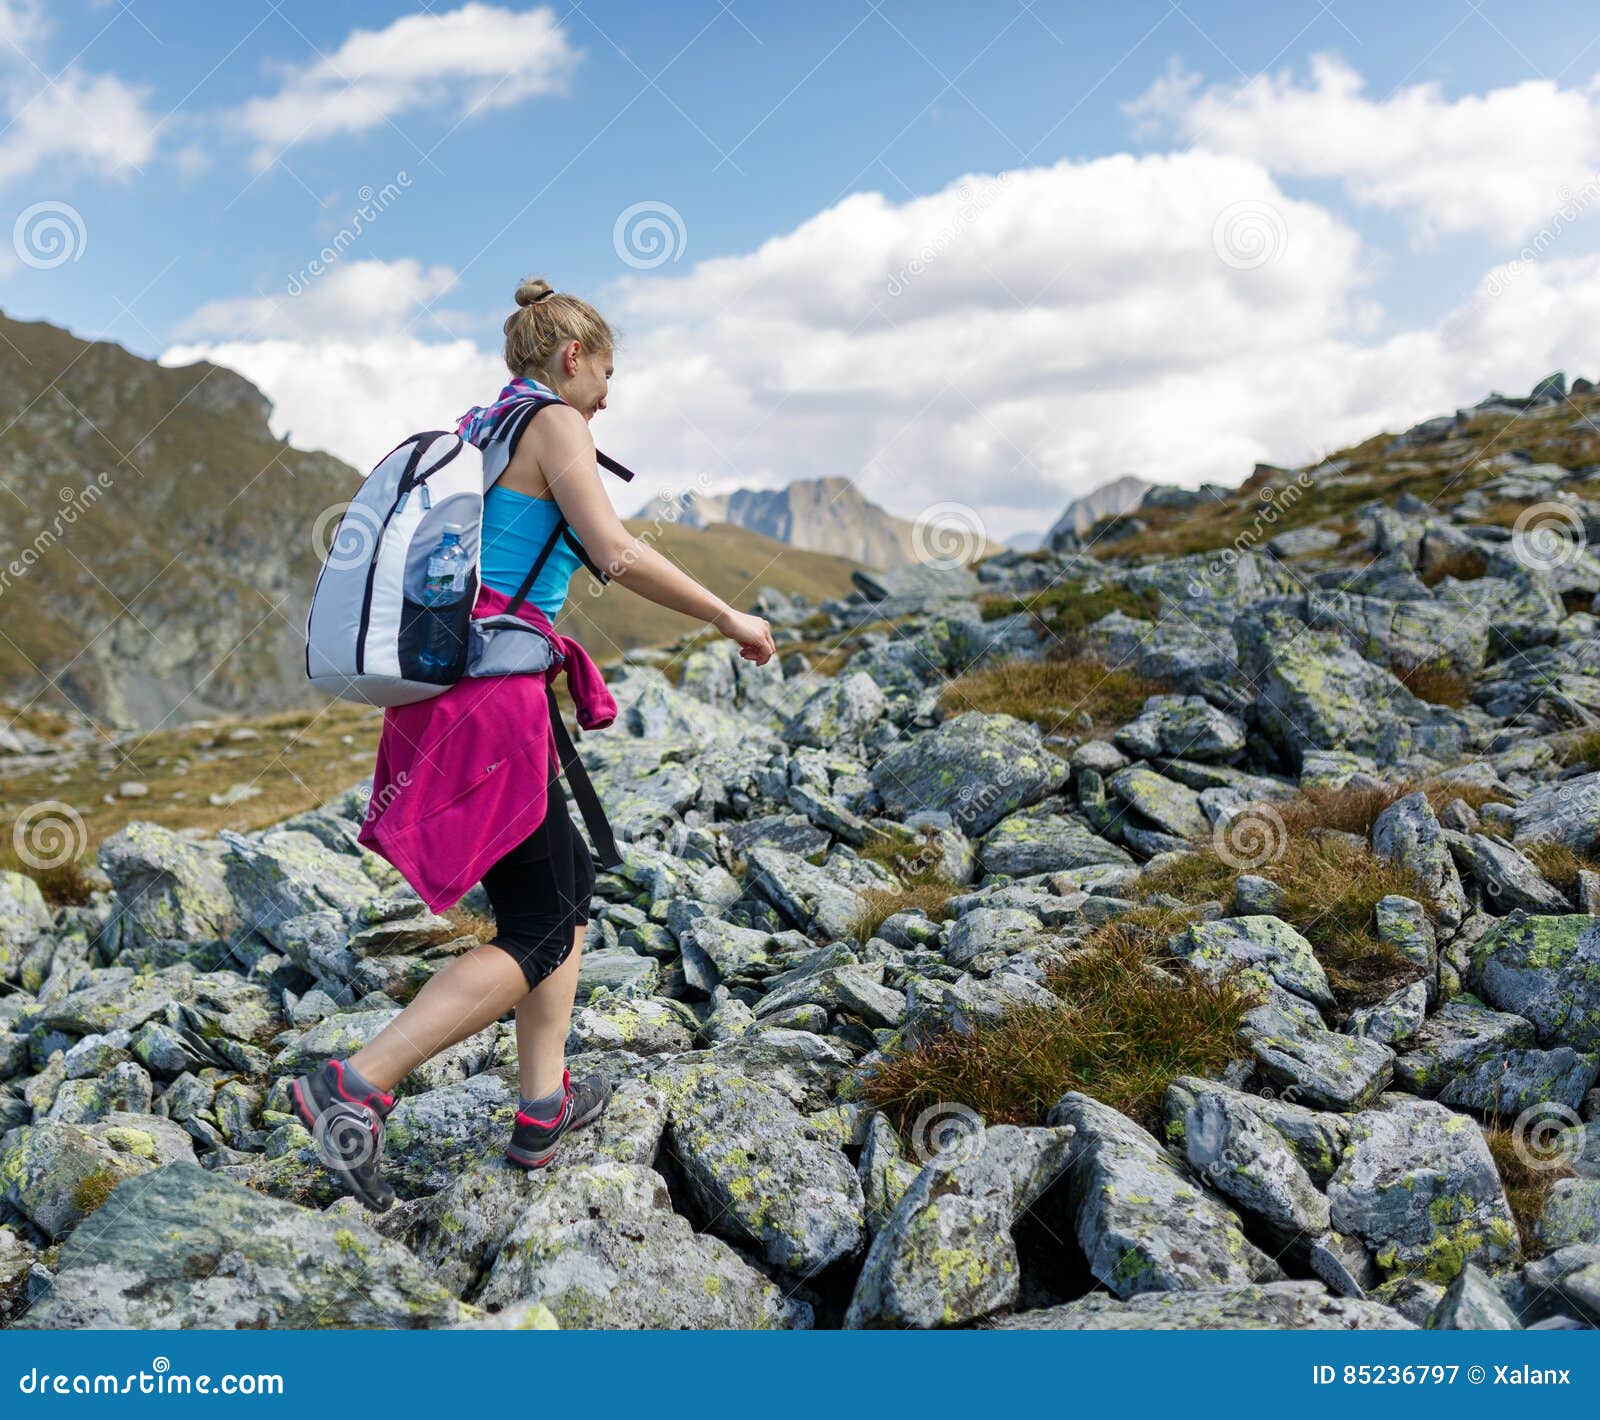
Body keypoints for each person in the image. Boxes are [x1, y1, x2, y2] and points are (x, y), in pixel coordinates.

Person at [291, 276, 776, 1211]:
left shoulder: (486, 426)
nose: (608, 393)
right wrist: (726, 615)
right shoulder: (555, 424)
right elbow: (614, 550)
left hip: (454, 699)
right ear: (571, 358)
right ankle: (350, 1090)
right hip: (491, 709)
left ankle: (542, 1110)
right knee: (543, 923)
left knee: (560, 897)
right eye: (606, 370)